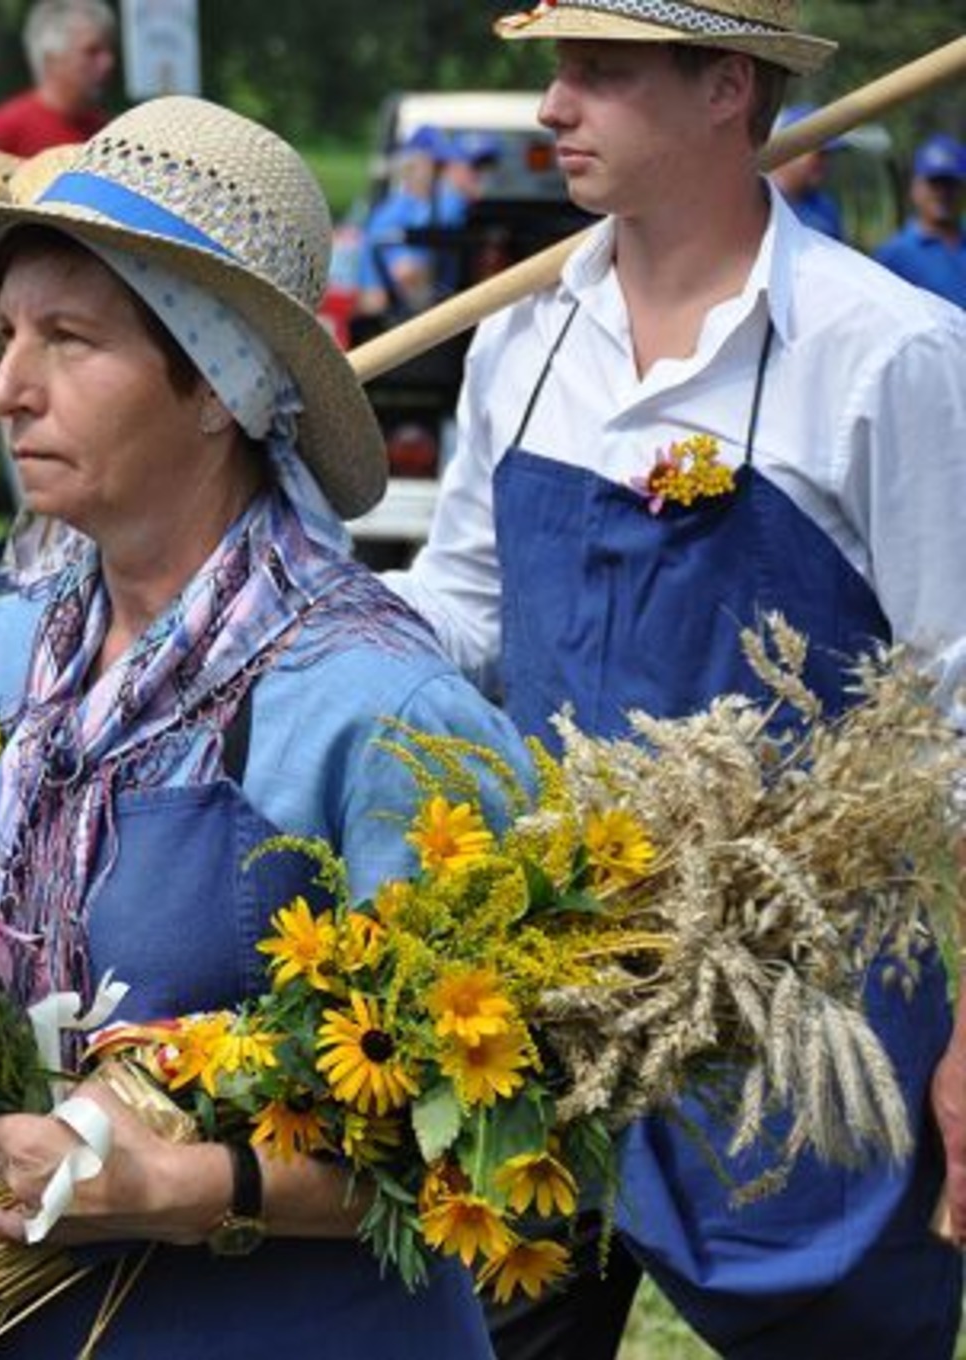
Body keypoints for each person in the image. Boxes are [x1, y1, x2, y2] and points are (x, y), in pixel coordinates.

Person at [0, 97, 531, 1356]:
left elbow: (492, 1152)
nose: (3, 389)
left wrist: (191, 1188)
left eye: (67, 338)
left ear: (215, 385)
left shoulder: (381, 713)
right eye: (7, 336)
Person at [388, 4, 966, 1356]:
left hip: (803, 1040)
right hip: (546, 1003)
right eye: (556, 70)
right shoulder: (522, 341)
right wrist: (279, 614)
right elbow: (463, 612)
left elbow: (960, 705)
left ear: (726, 88)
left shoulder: (884, 355)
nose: (552, 106)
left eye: (600, 73)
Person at [0, 0, 117, 156]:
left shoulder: (109, 135)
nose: (108, 62)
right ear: (51, 59)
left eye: (109, 50)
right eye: (92, 51)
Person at [355, 125, 447, 318]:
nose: (440, 173)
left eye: (442, 165)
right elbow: (405, 274)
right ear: (410, 168)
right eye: (435, 165)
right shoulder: (392, 214)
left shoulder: (434, 207)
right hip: (397, 317)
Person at [875, 134, 966, 309]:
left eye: (950, 184)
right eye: (934, 184)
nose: (942, 193)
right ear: (915, 188)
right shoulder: (894, 256)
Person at [767, 102, 845, 241]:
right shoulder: (753, 201)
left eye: (828, 156)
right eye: (820, 154)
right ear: (788, 150)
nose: (825, 164)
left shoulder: (826, 209)